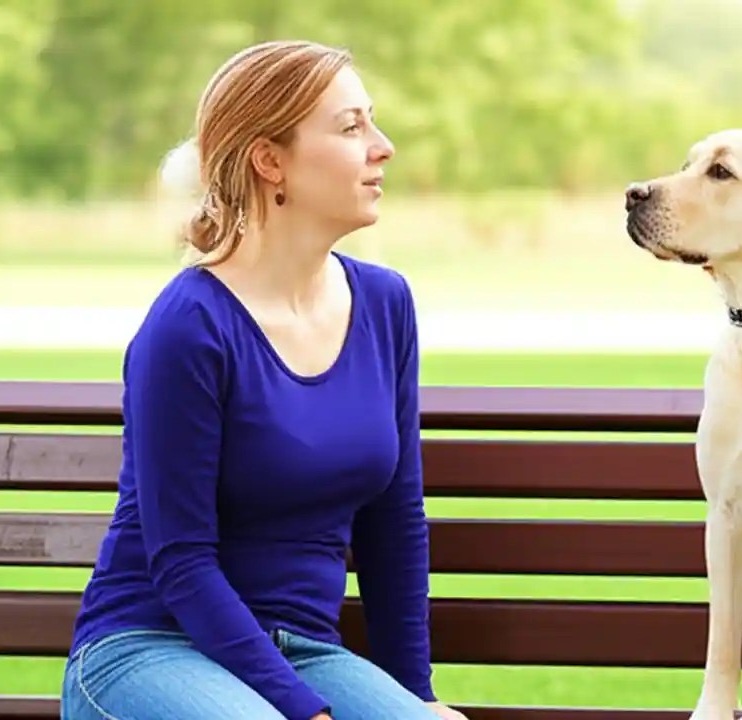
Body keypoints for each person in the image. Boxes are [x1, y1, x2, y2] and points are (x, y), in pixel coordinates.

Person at [59, 40, 467, 720]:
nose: (383, 146)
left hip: (302, 649)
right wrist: (302, 712)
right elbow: (181, 560)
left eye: (373, 120)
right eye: (350, 126)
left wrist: (414, 698)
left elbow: (393, 522)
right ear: (270, 159)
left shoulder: (385, 304)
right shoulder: (188, 326)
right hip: (150, 648)